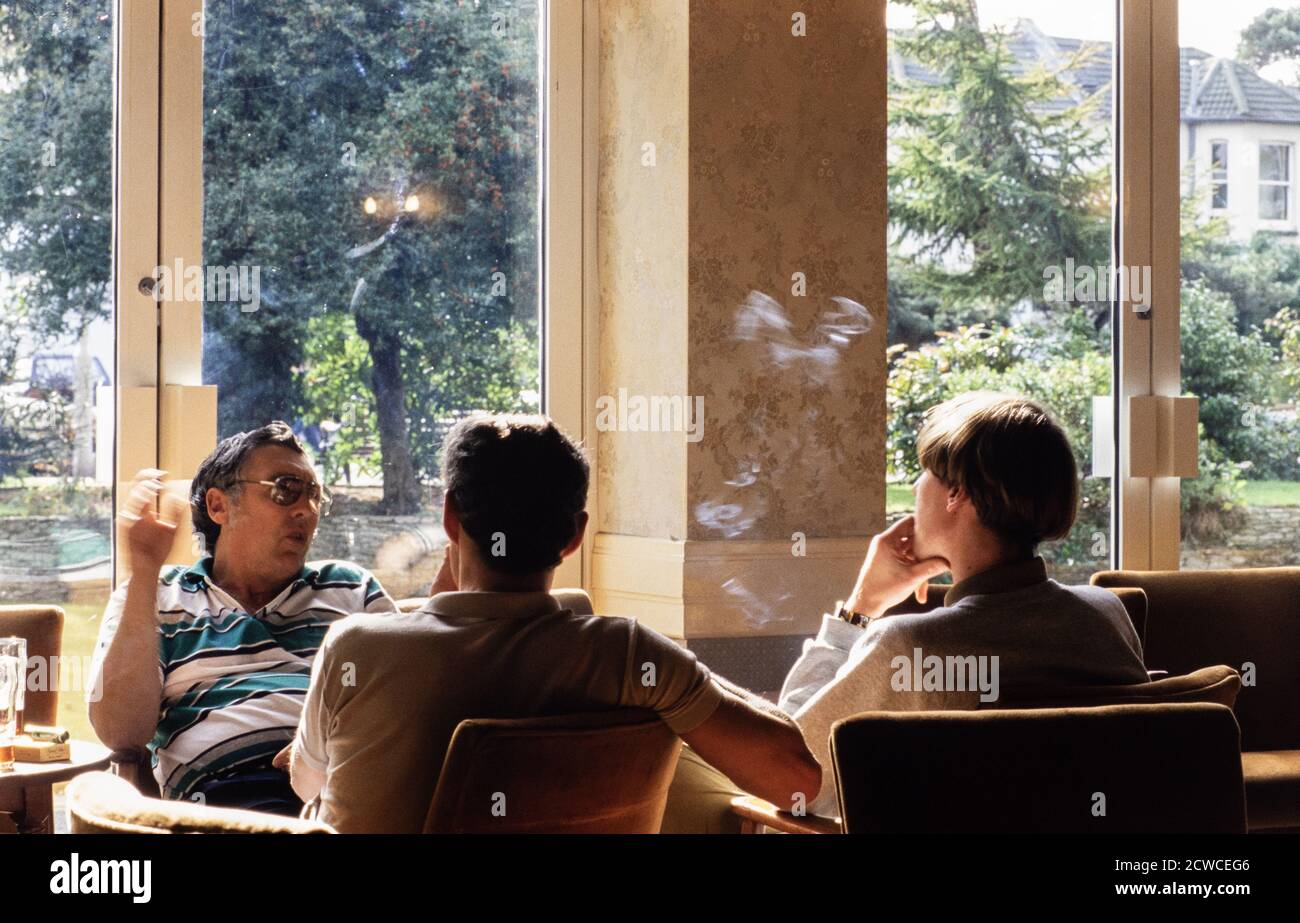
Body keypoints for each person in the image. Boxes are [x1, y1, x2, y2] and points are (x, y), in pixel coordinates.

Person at [281, 413, 821, 833]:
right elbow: (798, 779)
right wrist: (673, 672)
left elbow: (308, 784)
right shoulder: (627, 657)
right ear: (574, 535)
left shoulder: (357, 646)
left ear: (450, 517)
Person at [662, 392, 1148, 828]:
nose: (917, 489)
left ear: (957, 494)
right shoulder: (1107, 615)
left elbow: (786, 772)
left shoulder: (911, 647)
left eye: (927, 473)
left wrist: (860, 606)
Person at [87, 421, 397, 813]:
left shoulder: (351, 589)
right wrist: (145, 569)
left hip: (345, 788)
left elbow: (409, 702)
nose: (307, 510)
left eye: (315, 495)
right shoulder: (159, 595)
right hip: (221, 800)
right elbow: (121, 733)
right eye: (285, 490)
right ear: (219, 506)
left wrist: (316, 751)